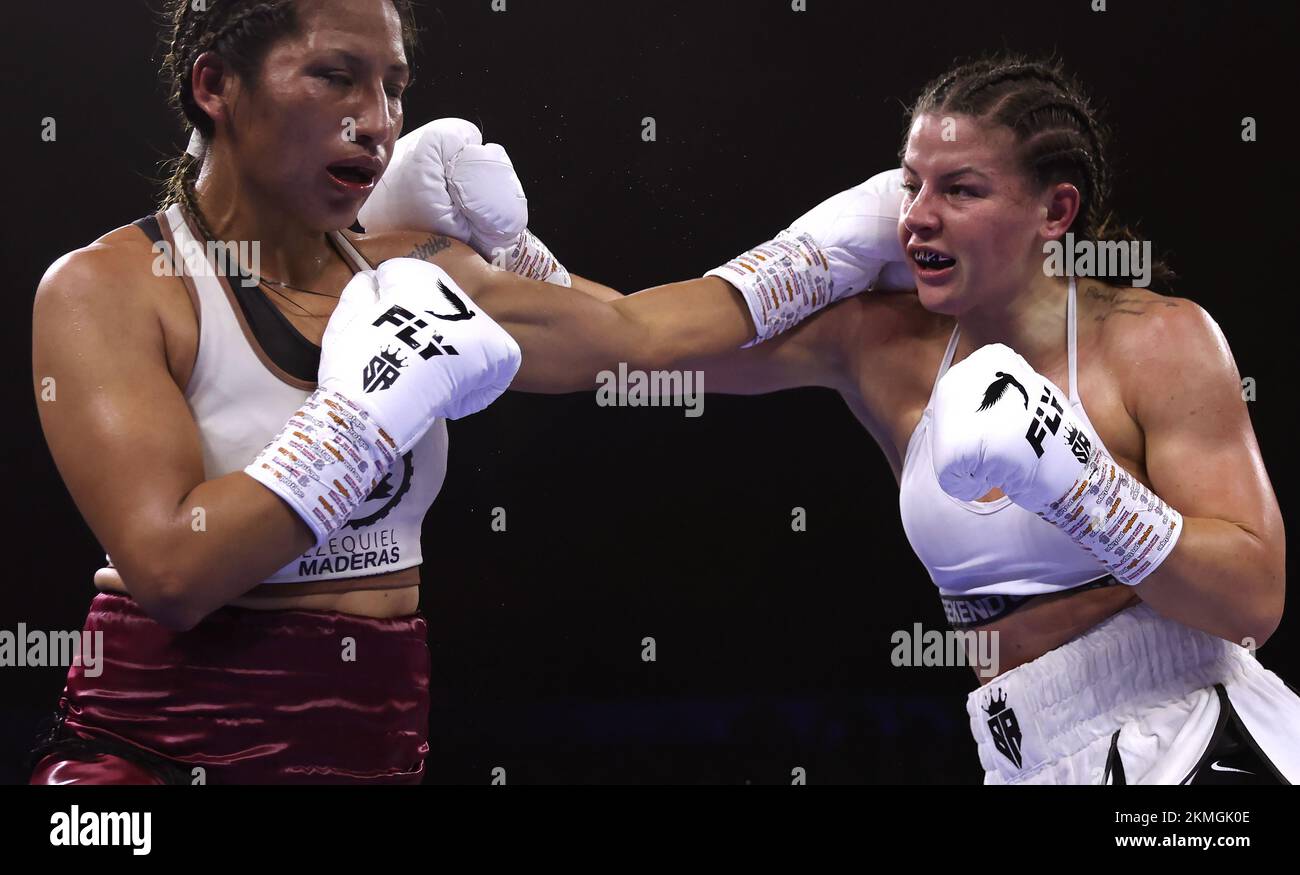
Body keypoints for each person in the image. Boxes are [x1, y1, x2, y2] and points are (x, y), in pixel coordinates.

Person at [29, 0, 865, 784]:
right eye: (335, 75)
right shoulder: (111, 289)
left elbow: (640, 337)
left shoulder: (413, 268)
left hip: (373, 747)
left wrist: (847, 251)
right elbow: (174, 573)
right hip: (152, 755)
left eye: (394, 85)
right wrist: (357, 422)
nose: (380, 120)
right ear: (215, 85)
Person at [477, 54, 1295, 784]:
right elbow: (631, 345)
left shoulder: (1156, 340)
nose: (917, 216)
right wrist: (492, 256)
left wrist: (1087, 487)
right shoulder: (879, 345)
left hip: (1190, 731)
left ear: (1056, 211)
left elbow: (1254, 599)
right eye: (912, 184)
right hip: (1027, 753)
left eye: (960, 189)